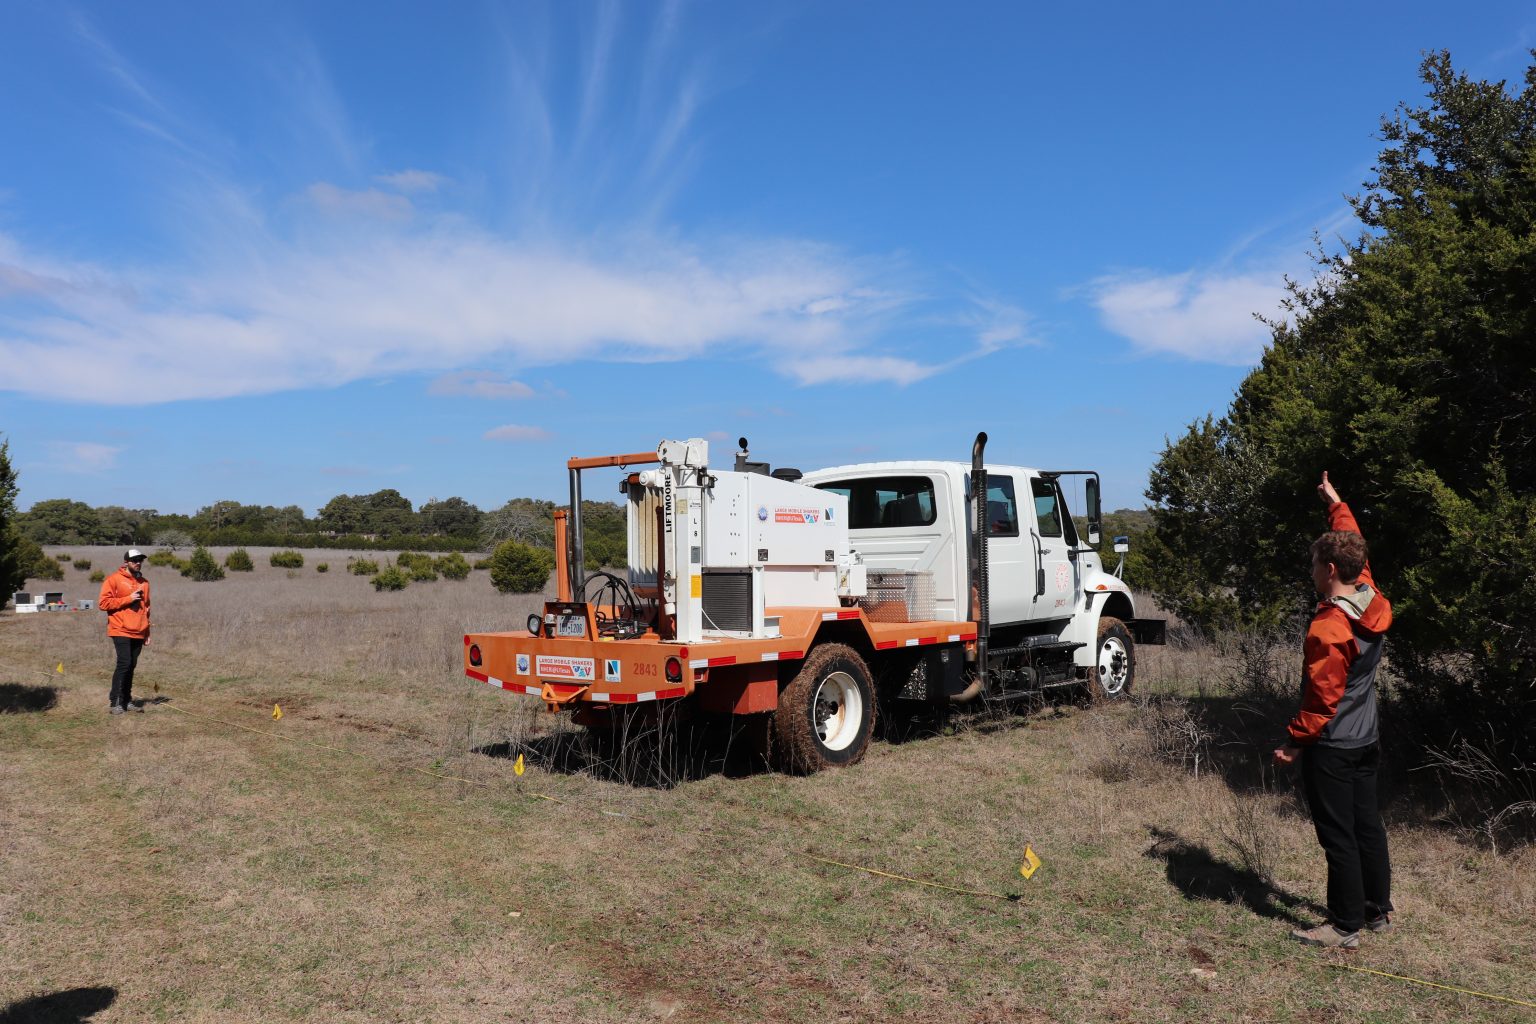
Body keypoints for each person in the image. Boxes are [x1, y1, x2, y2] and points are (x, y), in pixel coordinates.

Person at [1273, 472, 1395, 948]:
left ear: (1328, 569)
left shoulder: (1328, 628)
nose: (1310, 569)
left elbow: (1321, 702)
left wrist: (1292, 744)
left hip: (1334, 746)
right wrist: (1335, 503)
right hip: (1367, 739)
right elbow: (1355, 545)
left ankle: (1345, 926)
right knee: (1368, 825)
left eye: (1313, 562)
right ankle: (1376, 911)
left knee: (1338, 836)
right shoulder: (1369, 597)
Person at [99, 548, 152, 715]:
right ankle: (115, 702)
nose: (138, 563)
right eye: (134, 560)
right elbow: (103, 604)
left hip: (139, 630)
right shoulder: (114, 579)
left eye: (140, 560)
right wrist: (128, 599)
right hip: (120, 628)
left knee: (131, 666)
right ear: (126, 562)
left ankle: (126, 701)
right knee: (124, 663)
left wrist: (147, 631)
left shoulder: (144, 582)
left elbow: (146, 608)